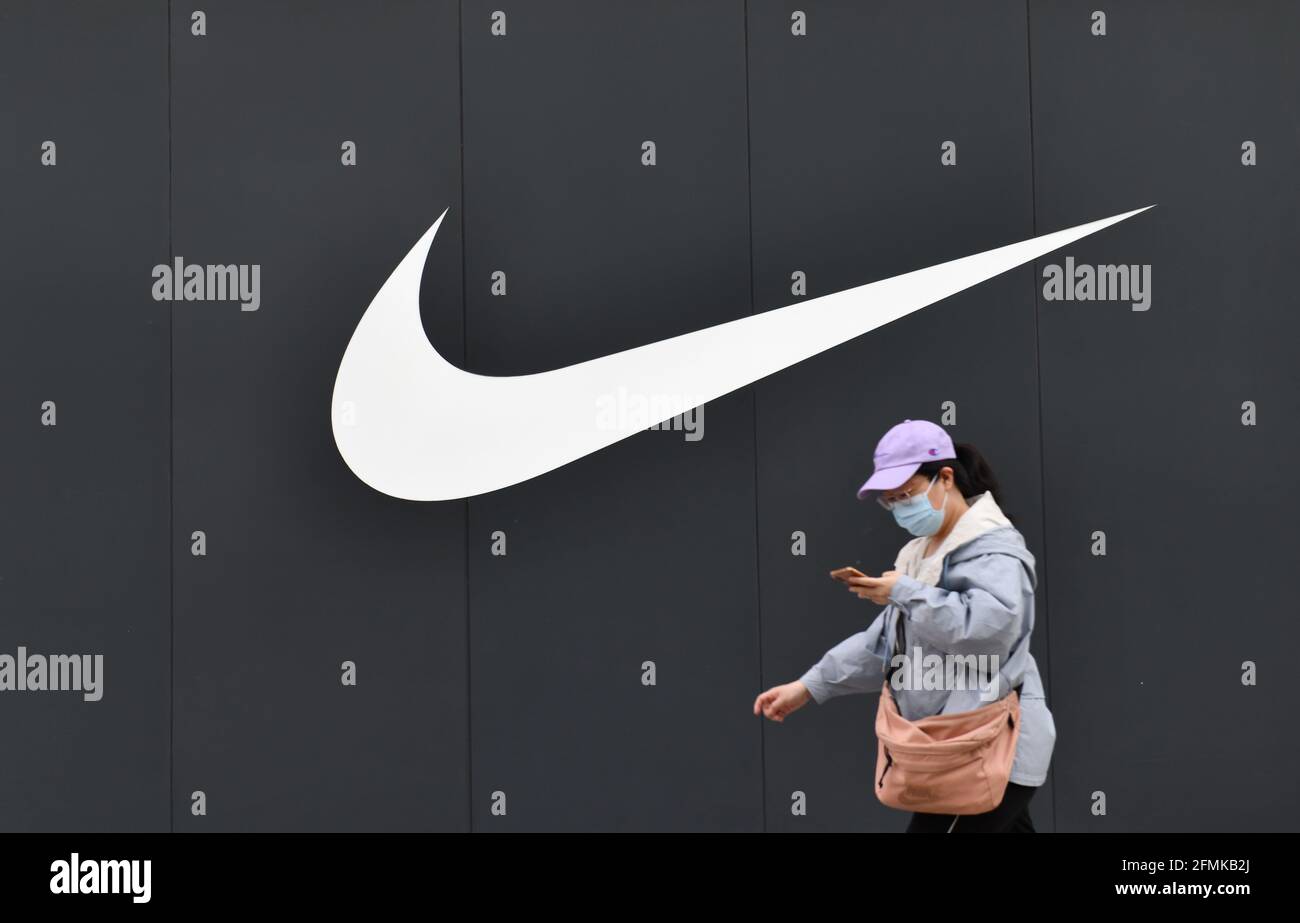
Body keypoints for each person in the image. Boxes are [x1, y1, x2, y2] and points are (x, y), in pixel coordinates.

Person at [752, 418, 1057, 832]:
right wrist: (808, 686)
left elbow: (989, 633)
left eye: (907, 494)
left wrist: (905, 592)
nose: (899, 507)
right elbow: (883, 644)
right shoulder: (919, 557)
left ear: (945, 478)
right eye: (890, 500)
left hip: (986, 743)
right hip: (957, 745)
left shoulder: (995, 550)